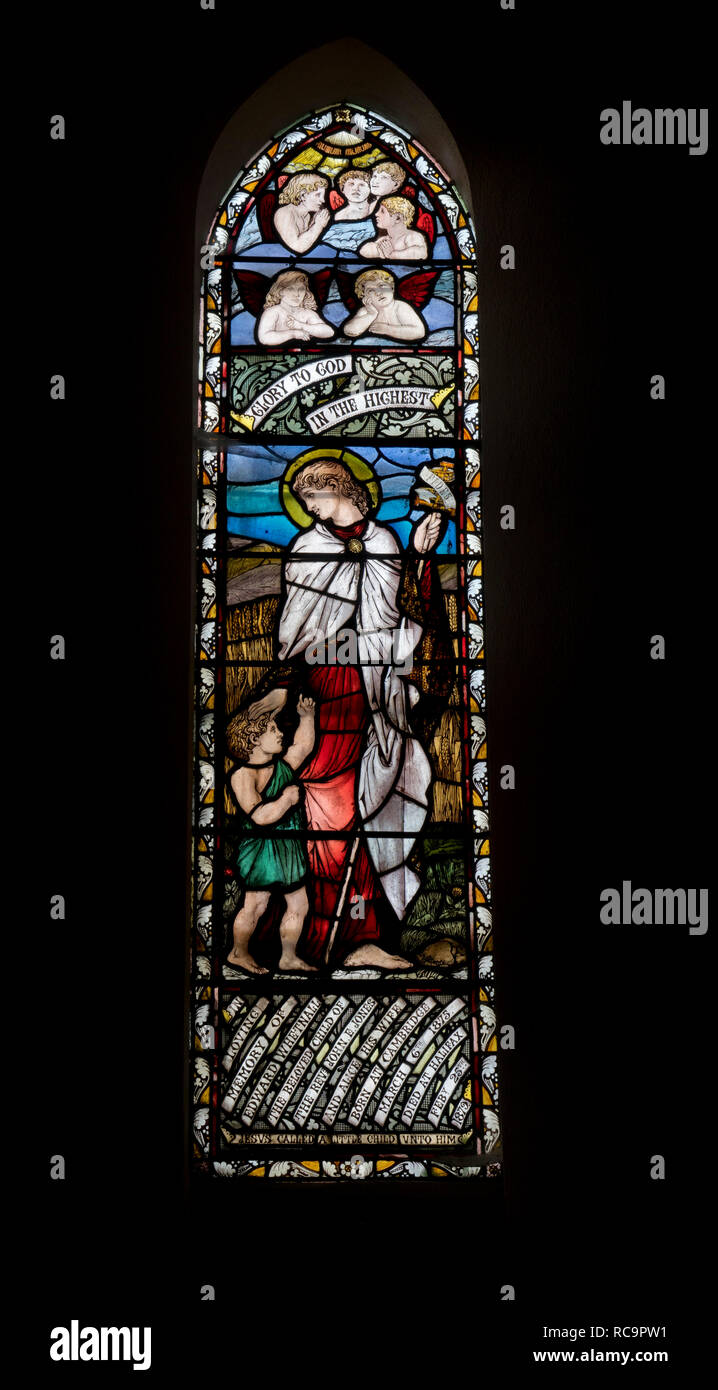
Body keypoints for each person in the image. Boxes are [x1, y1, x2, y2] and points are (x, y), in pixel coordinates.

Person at [249, 457, 443, 971]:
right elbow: (295, 634)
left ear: (336, 488)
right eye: (302, 501)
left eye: (312, 496)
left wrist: (421, 556)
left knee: (368, 813)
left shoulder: (384, 543)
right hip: (323, 692)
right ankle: (307, 940)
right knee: (327, 815)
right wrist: (283, 687)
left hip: (376, 693)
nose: (308, 508)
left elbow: (401, 619)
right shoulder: (307, 549)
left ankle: (362, 937)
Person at [226, 696, 317, 974]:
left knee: (299, 903)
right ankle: (238, 953)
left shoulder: (283, 767)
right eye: (272, 730)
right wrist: (285, 801)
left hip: (288, 846)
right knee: (256, 904)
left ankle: (288, 956)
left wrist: (307, 718)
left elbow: (303, 747)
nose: (280, 734)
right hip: (261, 850)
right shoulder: (243, 776)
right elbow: (259, 816)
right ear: (253, 739)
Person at [342, 269, 425, 341]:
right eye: (370, 291)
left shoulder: (400, 307)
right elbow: (350, 331)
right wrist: (371, 315)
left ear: (392, 288)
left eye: (381, 286)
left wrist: (387, 329)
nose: (378, 293)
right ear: (364, 297)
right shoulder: (366, 310)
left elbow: (419, 332)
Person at [257, 270, 334, 345]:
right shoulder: (272, 312)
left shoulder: (308, 313)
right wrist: (293, 334)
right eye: (291, 289)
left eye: (301, 290)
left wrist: (301, 325)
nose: (297, 294)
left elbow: (329, 332)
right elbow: (264, 338)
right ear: (280, 291)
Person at [273, 174, 331, 253]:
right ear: (303, 195)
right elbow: (297, 247)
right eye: (318, 195)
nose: (323, 200)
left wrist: (315, 221)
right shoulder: (284, 214)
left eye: (323, 195)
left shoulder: (306, 216)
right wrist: (318, 225)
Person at [359, 196, 429, 261]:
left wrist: (392, 254)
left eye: (382, 211)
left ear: (397, 218)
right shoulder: (385, 240)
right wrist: (379, 251)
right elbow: (363, 251)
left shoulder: (412, 236)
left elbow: (420, 254)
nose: (376, 214)